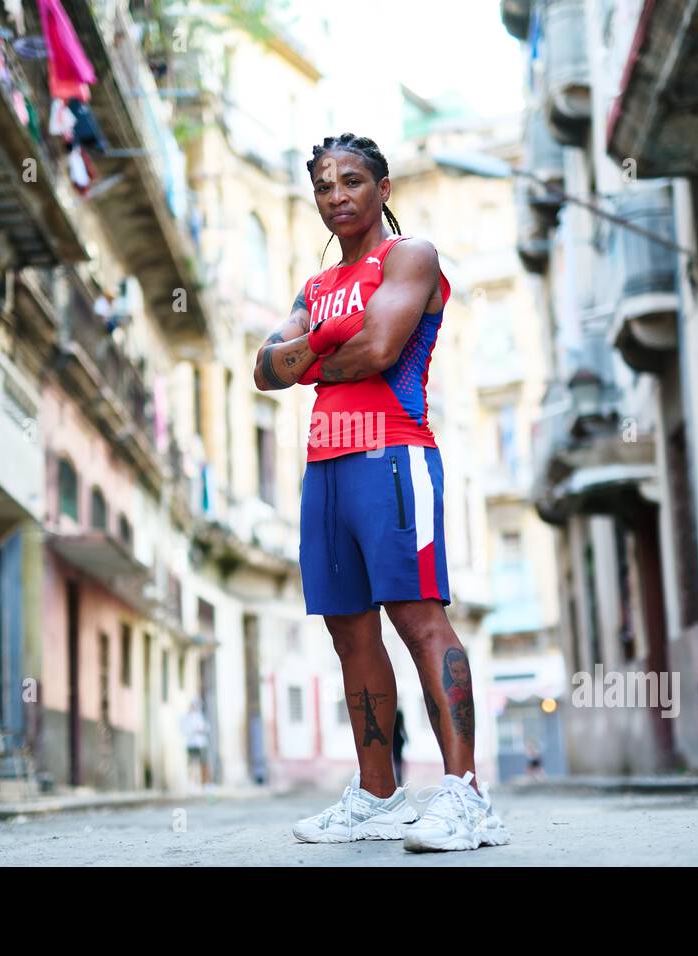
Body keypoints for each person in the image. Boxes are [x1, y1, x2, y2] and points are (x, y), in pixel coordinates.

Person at [253, 133, 510, 852]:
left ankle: (466, 795)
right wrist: (332, 339)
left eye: (352, 180)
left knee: (419, 619)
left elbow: (380, 349)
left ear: (383, 188)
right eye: (325, 185)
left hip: (393, 455)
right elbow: (265, 369)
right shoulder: (313, 288)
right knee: (348, 630)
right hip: (326, 468)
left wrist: (318, 355)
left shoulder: (409, 257)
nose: (338, 195)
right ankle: (376, 794)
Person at [180, 698, 210, 790]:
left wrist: (202, 729)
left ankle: (204, 784)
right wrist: (194, 730)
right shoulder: (187, 717)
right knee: (192, 764)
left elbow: (207, 727)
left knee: (203, 763)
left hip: (201, 743)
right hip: (192, 744)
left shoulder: (200, 716)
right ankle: (192, 783)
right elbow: (184, 730)